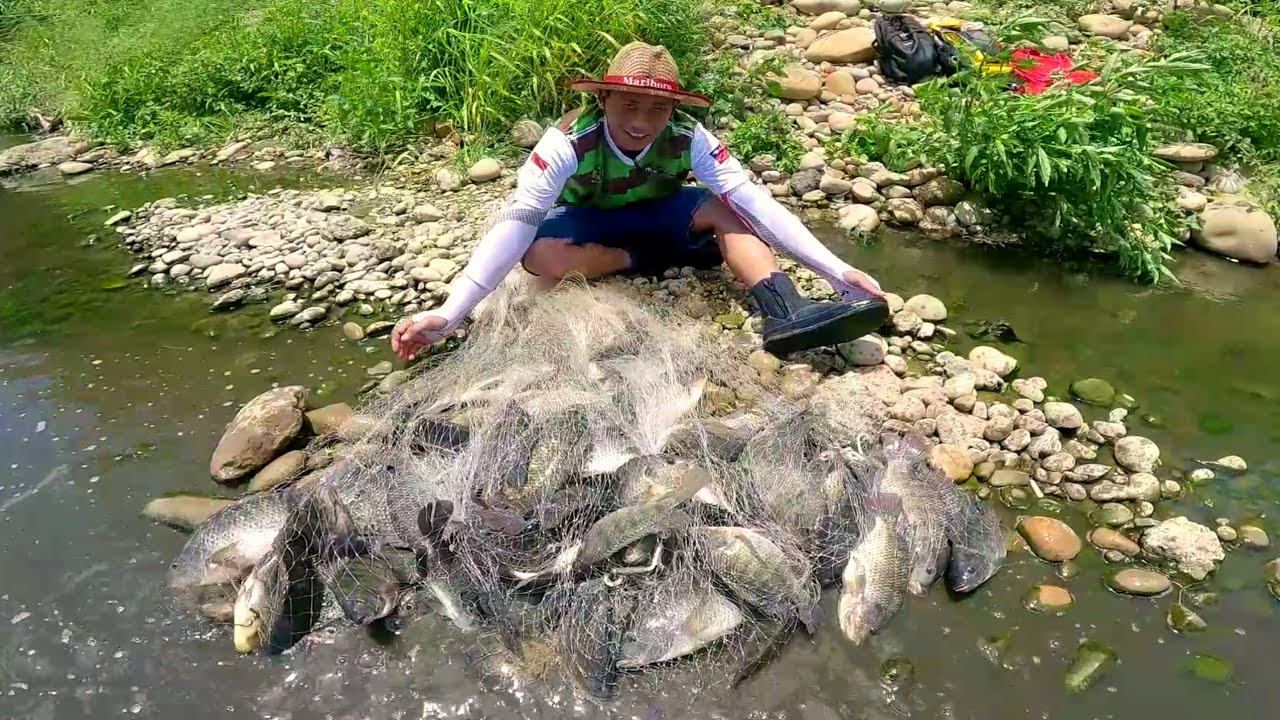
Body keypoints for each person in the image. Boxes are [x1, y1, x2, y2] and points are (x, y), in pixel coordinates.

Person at [392, 41, 888, 362]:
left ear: (673, 107)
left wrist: (834, 271)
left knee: (725, 209)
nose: (641, 120)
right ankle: (658, 258)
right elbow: (518, 222)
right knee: (538, 256)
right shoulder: (566, 142)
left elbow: (755, 202)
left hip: (660, 210)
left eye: (657, 108)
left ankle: (785, 309)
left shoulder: (690, 137)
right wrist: (450, 314)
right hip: (588, 221)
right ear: (604, 99)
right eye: (628, 104)